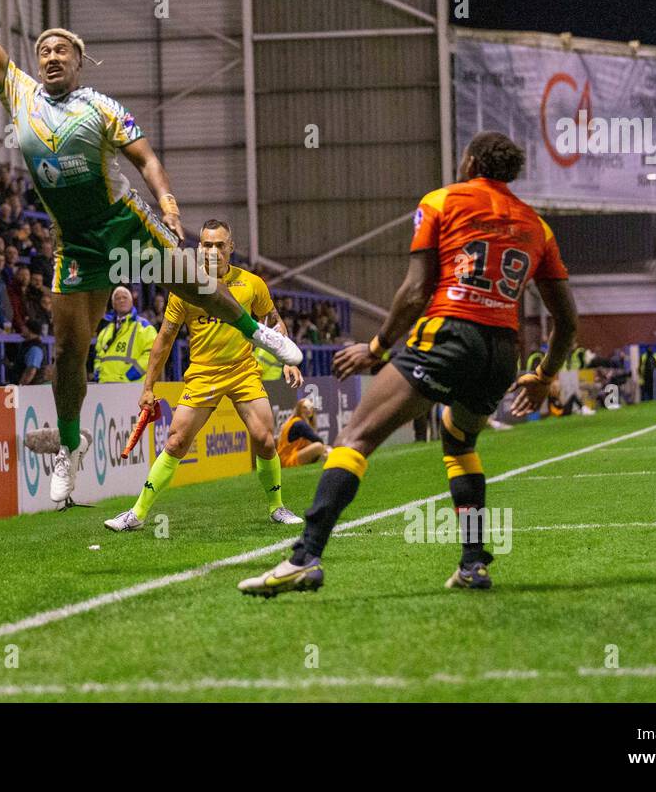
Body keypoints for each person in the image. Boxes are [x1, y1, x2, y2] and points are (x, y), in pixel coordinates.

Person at [0, 0, 301, 505]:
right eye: (44, 49)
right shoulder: (17, 93)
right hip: (74, 244)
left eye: (62, 50)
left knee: (191, 283)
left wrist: (168, 202)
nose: (51, 56)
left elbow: (146, 159)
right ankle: (69, 453)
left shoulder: (100, 106)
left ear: (80, 61)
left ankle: (257, 333)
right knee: (69, 352)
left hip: (123, 224)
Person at [239, 131, 579, 596]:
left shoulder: (441, 201)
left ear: (472, 161)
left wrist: (375, 349)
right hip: (502, 350)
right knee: (460, 441)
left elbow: (416, 290)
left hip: (450, 332)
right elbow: (567, 319)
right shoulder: (536, 225)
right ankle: (474, 562)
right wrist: (544, 375)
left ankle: (305, 558)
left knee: (354, 438)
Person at [105, 220, 304, 530]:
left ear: (231, 248)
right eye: (207, 245)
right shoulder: (186, 288)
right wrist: (148, 387)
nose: (213, 251)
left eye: (220, 245)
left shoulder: (252, 283)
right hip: (204, 373)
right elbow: (164, 340)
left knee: (265, 439)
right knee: (176, 441)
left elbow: (275, 322)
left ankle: (277, 507)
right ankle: (138, 514)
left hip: (242, 371)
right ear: (199, 248)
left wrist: (288, 358)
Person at [92, 286, 156, 382]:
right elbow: (98, 356)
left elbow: (152, 355)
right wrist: (98, 374)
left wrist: (130, 376)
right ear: (113, 304)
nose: (121, 300)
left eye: (125, 297)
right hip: (105, 386)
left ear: (132, 302)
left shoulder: (144, 327)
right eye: (118, 298)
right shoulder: (105, 331)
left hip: (132, 386)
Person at [277, 399, 328, 469]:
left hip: (288, 458)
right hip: (288, 460)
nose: (308, 410)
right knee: (318, 446)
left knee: (323, 448)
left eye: (310, 407)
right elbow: (318, 440)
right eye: (305, 407)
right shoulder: (299, 423)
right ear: (299, 409)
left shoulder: (296, 421)